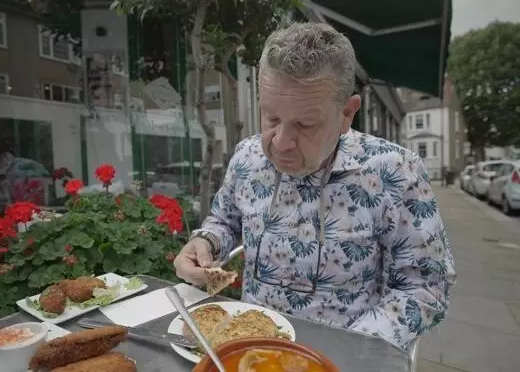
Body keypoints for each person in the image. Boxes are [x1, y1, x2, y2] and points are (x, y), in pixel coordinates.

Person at [173, 22, 456, 350]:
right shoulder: (247, 156)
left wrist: (345, 348)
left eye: (305, 124)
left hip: (342, 357)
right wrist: (206, 243)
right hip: (247, 345)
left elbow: (425, 287)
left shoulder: (394, 172)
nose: (281, 143)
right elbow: (224, 221)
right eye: (271, 118)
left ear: (347, 114)